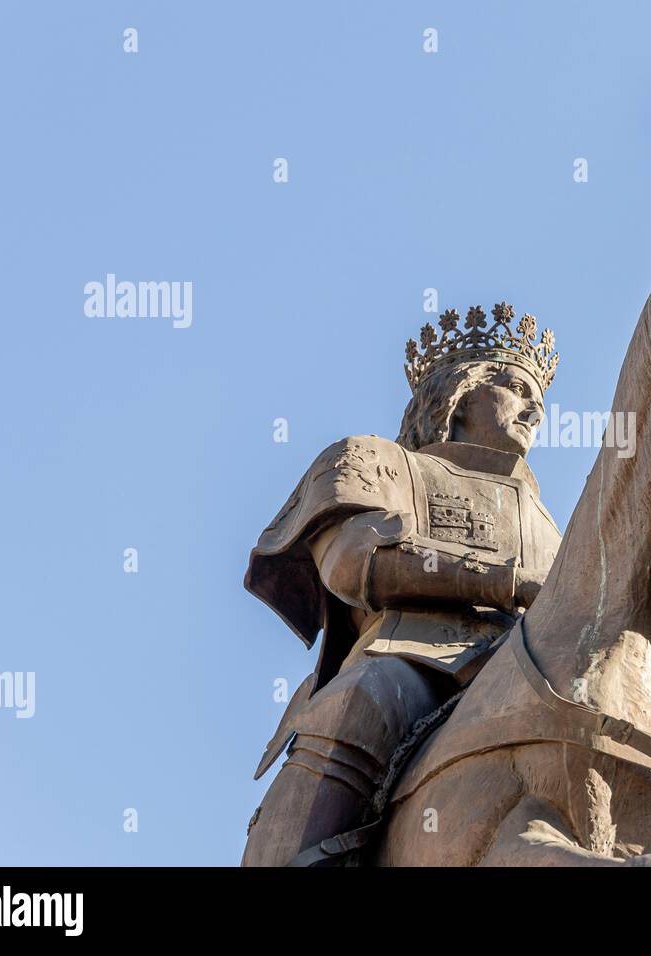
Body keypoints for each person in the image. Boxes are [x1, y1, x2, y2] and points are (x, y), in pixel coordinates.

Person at [241, 302, 562, 866]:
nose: (534, 407)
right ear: (458, 396)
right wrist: (510, 583)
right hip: (410, 660)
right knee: (360, 701)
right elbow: (353, 566)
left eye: (538, 395)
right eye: (514, 386)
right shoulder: (377, 462)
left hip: (530, 670)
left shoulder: (549, 522)